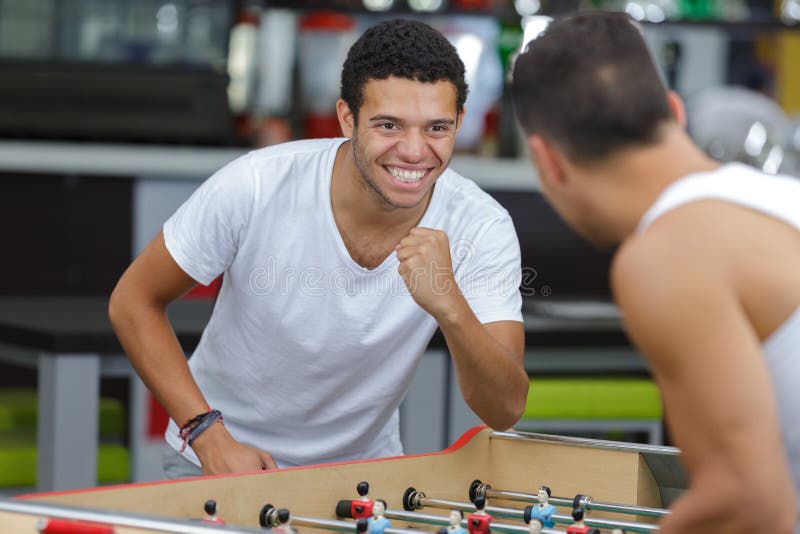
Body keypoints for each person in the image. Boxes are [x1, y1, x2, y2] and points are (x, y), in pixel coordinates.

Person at [108, 18, 527, 478]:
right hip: (220, 459)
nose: (413, 151)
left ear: (460, 124)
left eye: (436, 128)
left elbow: (504, 409)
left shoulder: (481, 225)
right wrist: (207, 435)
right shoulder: (257, 183)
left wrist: (452, 308)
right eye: (389, 125)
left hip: (362, 478)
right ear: (347, 117)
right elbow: (134, 301)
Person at [511, 10, 799, 534]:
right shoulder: (783, 199)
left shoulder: (663, 257)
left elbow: (748, 503)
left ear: (547, 160)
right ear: (674, 111)